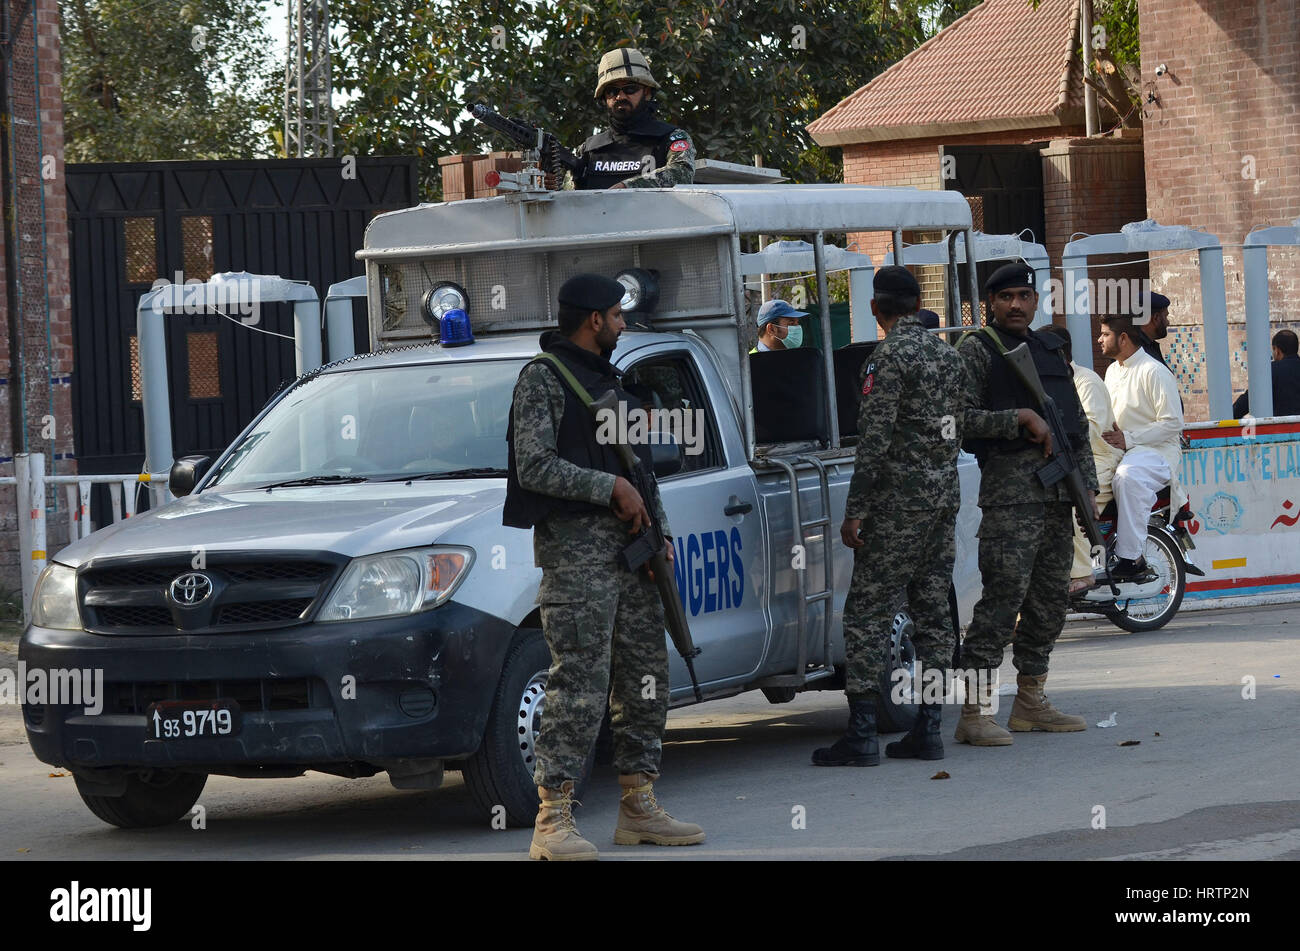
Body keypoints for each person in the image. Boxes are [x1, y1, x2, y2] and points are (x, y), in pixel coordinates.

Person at [504, 272, 703, 860]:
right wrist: (607, 487)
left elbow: (641, 470)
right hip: (578, 561)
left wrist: (659, 533)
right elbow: (533, 466)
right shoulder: (542, 381)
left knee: (646, 678)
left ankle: (638, 806)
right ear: (593, 319)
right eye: (617, 316)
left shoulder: (610, 380)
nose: (622, 324)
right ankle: (552, 820)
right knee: (580, 684)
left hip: (632, 554)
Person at [812, 266, 968, 767]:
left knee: (866, 614)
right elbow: (954, 428)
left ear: (878, 310)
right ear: (918, 304)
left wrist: (855, 510)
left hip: (899, 507)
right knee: (933, 615)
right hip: (943, 500)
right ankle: (929, 728)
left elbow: (874, 443)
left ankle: (861, 735)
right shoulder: (948, 354)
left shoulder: (889, 357)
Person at [956, 263, 1097, 745]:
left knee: (1050, 603)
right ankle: (974, 712)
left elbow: (1076, 428)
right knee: (1000, 605)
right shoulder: (976, 351)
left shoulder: (1048, 350)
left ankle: (1031, 702)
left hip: (1058, 497)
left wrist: (1089, 492)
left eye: (1024, 295)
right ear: (990, 304)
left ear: (1036, 301)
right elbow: (955, 421)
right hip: (1010, 500)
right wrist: (1017, 418)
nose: (1016, 305)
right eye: (1005, 297)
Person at [1036, 325, 1125, 594]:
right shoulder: (1052, 381)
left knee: (1072, 507)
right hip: (1066, 461)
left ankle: (1084, 574)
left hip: (1100, 459)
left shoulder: (1086, 381)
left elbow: (1091, 429)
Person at [1098, 313, 1186, 580]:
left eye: (1105, 334)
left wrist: (1130, 438)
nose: (1100, 339)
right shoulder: (1112, 370)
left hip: (1155, 453)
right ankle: (1090, 564)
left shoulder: (1155, 371)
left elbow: (1173, 423)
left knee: (1128, 477)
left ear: (1123, 338)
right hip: (1121, 450)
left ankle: (1132, 558)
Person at [563, 47, 695, 190]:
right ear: (603, 98)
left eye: (630, 89)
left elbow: (682, 174)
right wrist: (552, 182)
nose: (620, 97)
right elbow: (567, 195)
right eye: (612, 91)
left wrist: (627, 187)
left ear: (647, 92)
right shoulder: (587, 150)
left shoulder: (671, 138)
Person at [1232, 329, 1300, 418]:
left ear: (1277, 351)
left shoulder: (1271, 370)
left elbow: (1248, 400)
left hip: (1282, 428)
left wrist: (1230, 415)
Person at [1133, 291, 1172, 370]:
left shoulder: (1149, 346)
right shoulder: (1136, 350)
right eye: (1165, 316)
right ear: (1156, 318)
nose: (1168, 323)